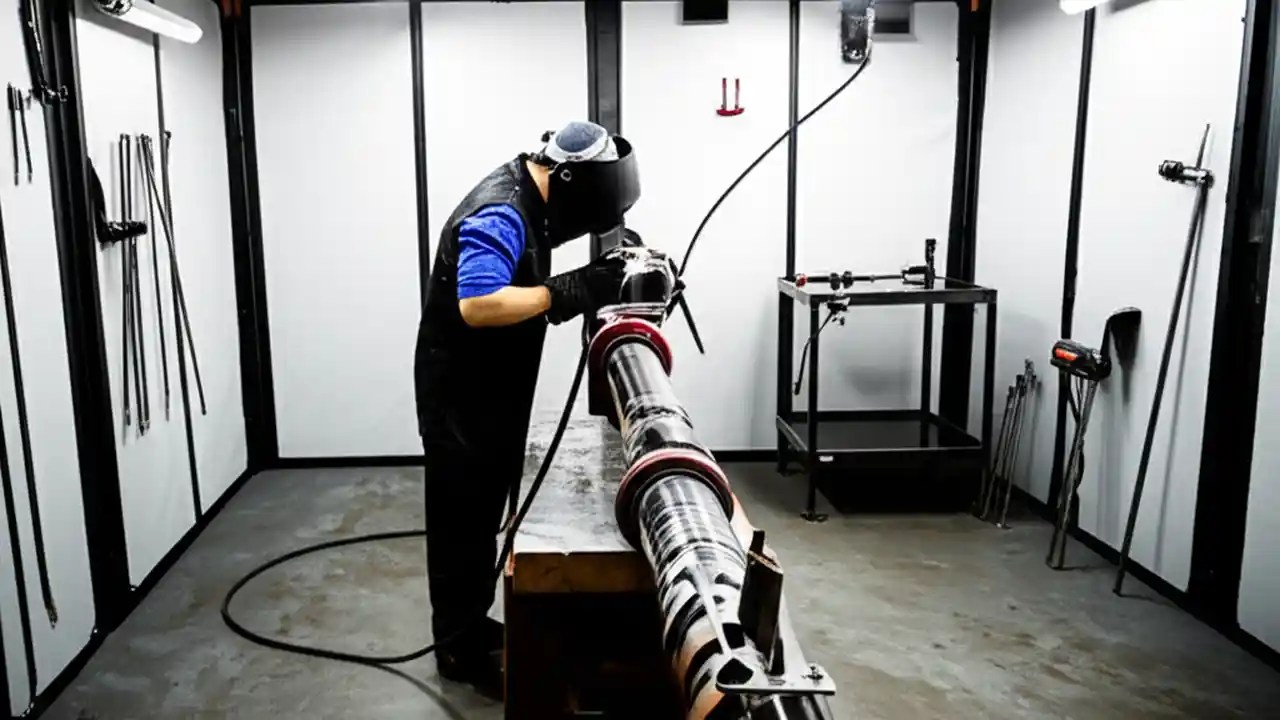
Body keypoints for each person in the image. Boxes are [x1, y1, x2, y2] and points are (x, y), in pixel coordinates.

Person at [413, 121, 640, 697]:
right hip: (461, 398)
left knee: (482, 516)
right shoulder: (503, 211)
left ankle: (468, 626)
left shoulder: (531, 197)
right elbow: (480, 302)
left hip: (488, 390)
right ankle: (457, 654)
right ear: (569, 180)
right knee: (462, 522)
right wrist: (572, 290)